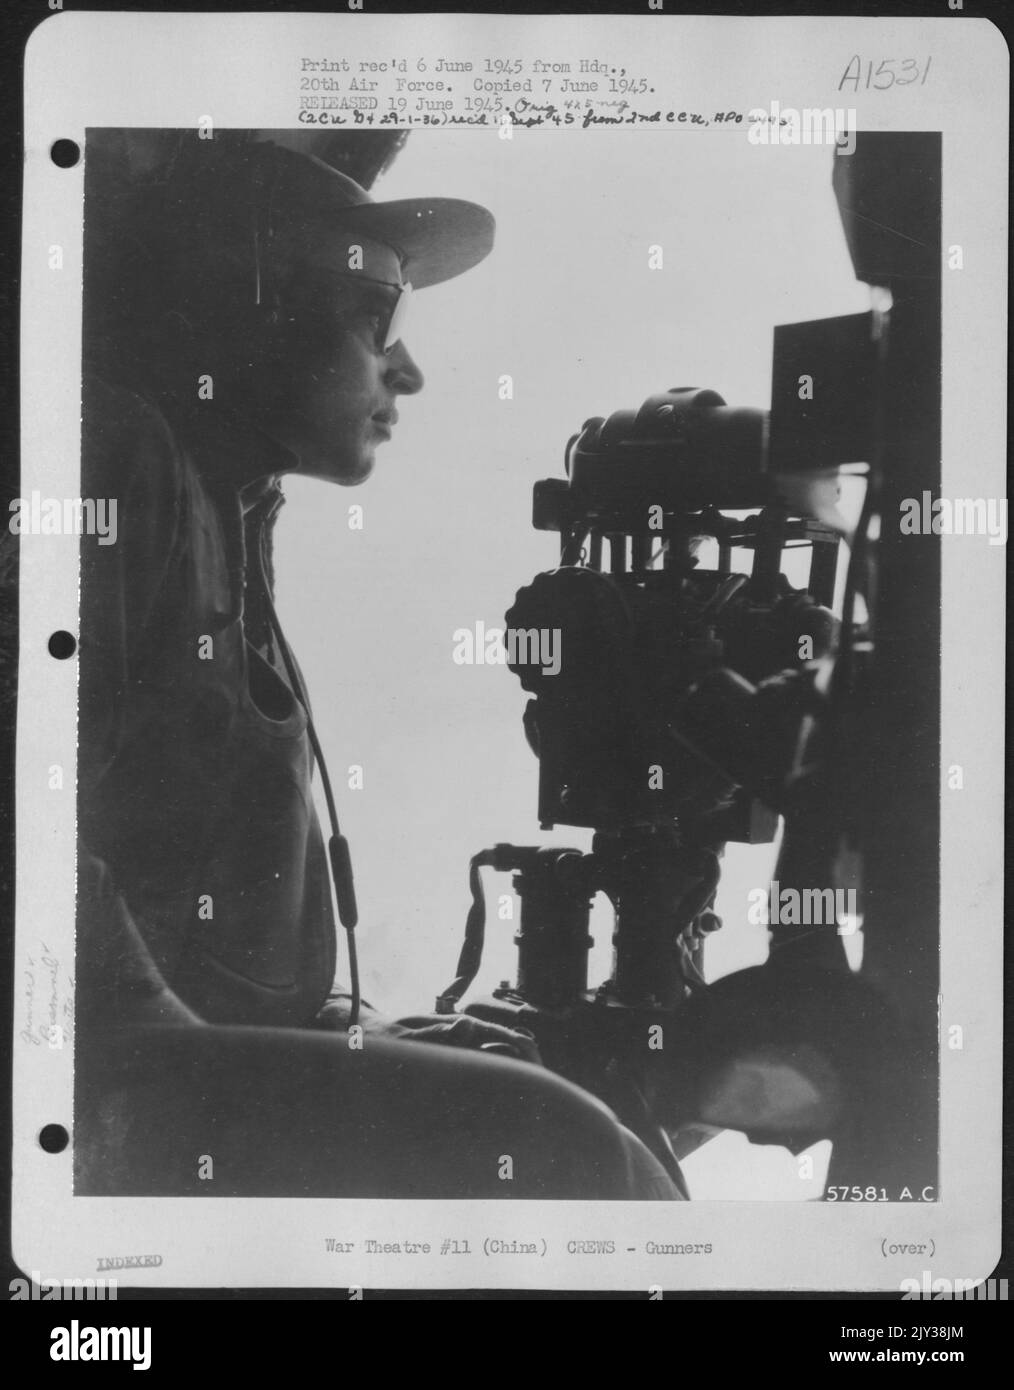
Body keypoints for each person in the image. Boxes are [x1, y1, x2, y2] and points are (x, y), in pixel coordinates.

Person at [74, 132, 681, 1200]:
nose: (406, 368)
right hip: (101, 1080)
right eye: (375, 319)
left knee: (581, 1102)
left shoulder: (230, 505)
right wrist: (187, 1061)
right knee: (570, 1152)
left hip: (186, 1056)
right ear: (252, 303)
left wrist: (363, 1031)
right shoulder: (123, 459)